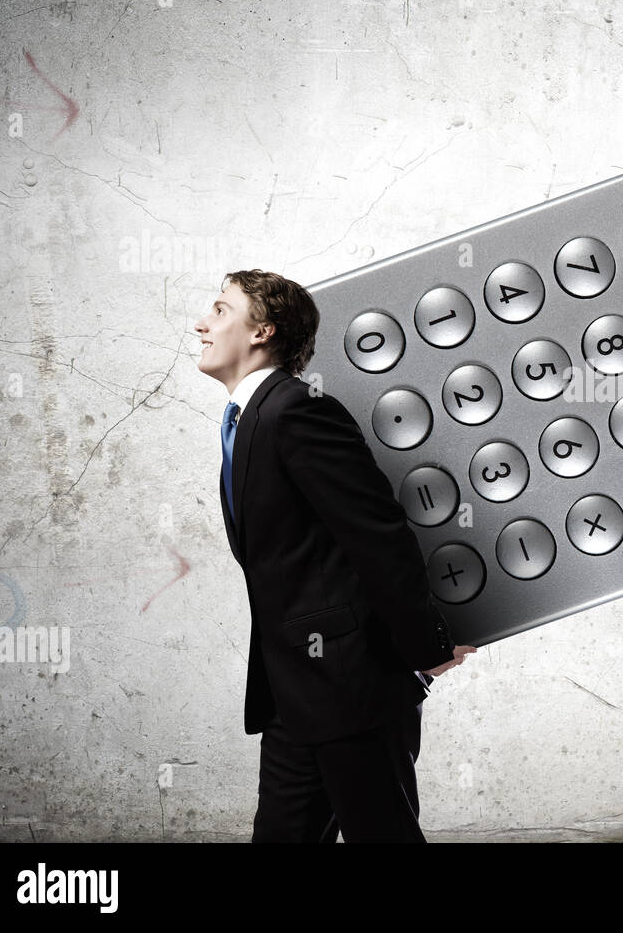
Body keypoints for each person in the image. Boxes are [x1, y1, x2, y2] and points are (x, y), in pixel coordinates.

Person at [193, 268, 475, 842]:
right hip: (293, 696)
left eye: (221, 310)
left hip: (350, 691)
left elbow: (377, 533)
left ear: (262, 331)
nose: (202, 323)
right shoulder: (251, 418)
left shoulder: (296, 411)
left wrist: (426, 645)